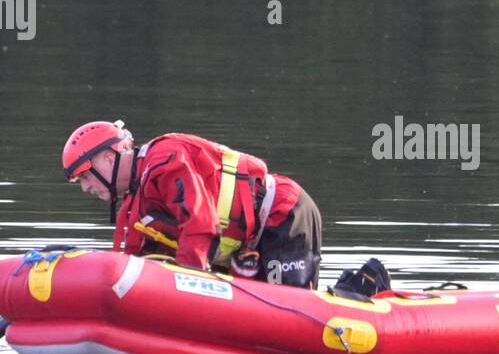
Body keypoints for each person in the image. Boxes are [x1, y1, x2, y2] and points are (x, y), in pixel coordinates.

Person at [61, 120, 322, 288]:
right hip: (248, 246)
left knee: (290, 308)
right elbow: (136, 264)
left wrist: (190, 289)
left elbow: (200, 224)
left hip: (281, 215)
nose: (86, 187)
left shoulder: (164, 163)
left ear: (108, 158)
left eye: (85, 175)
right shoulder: (137, 205)